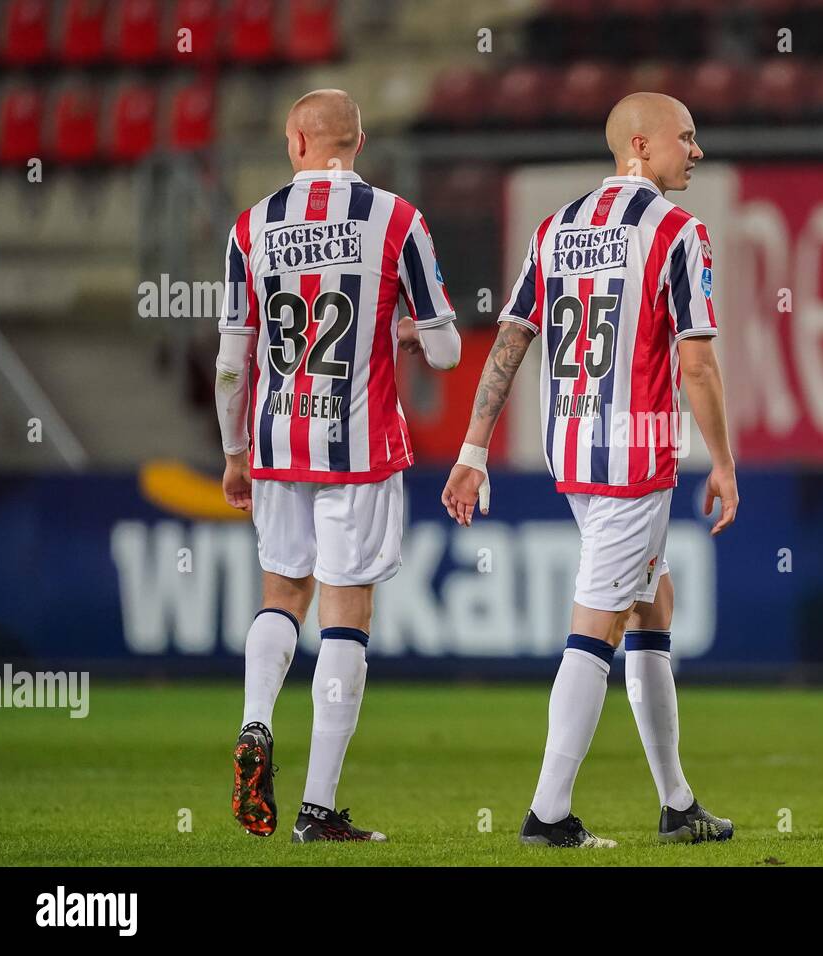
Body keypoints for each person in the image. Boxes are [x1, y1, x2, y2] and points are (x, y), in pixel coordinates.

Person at [441, 92, 738, 847]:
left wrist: (475, 450)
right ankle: (547, 815)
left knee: (650, 607)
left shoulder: (556, 229)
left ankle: (676, 801)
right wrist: (726, 464)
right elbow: (697, 366)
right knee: (596, 630)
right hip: (634, 458)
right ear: (640, 145)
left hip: (570, 454)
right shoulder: (677, 233)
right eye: (686, 138)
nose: (696, 152)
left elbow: (510, 343)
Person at [217, 89, 461, 842]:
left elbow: (233, 362)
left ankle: (256, 723)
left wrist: (233, 454)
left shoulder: (251, 227)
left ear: (296, 142)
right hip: (359, 448)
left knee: (281, 593)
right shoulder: (397, 220)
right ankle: (318, 810)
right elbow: (449, 350)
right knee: (345, 613)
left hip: (277, 445)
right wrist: (408, 334)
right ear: (358, 143)